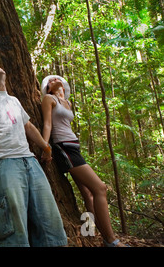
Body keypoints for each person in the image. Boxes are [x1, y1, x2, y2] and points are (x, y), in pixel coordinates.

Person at [0, 65, 67, 247]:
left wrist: (46, 148)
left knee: (50, 223)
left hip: (31, 162)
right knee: (14, 228)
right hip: (4, 164)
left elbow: (28, 127)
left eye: (0, 66)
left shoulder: (13, 100)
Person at [40, 75, 128, 247]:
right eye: (49, 82)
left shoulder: (68, 103)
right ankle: (110, 240)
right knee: (100, 188)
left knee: (88, 193)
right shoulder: (48, 99)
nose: (53, 80)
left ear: (63, 86)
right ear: (48, 89)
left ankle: (90, 232)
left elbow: (66, 124)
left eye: (55, 78)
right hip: (63, 147)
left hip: (74, 146)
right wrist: (45, 147)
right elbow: (48, 125)